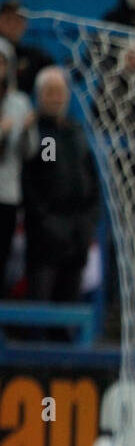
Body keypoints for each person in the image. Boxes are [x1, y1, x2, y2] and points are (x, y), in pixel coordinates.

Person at [22, 66, 100, 309]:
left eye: (60, 92)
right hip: (47, 234)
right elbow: (40, 178)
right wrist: (46, 219)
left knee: (70, 302)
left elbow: (91, 178)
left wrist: (88, 220)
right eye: (50, 92)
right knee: (42, 304)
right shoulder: (43, 136)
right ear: (39, 95)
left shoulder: (77, 132)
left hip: (78, 232)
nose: (56, 98)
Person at [0, 40, 36, 299]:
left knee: (2, 259)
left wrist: (24, 132)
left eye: (2, 62)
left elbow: (35, 151)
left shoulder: (20, 101)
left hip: (7, 193)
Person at [0, 0, 54, 97]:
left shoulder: (34, 56)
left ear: (25, 24)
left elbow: (61, 77)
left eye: (18, 20)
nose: (12, 25)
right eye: (8, 19)